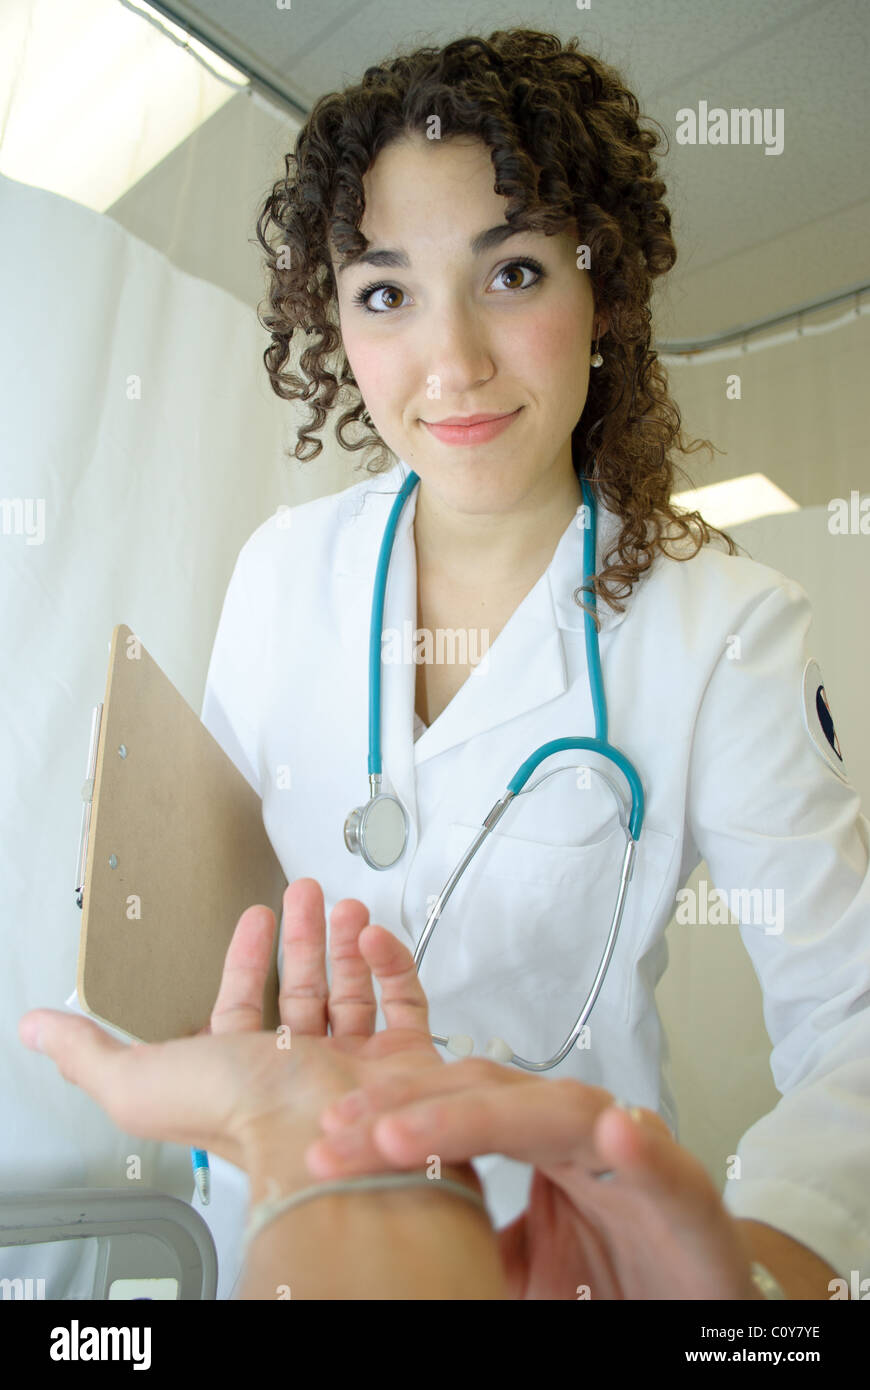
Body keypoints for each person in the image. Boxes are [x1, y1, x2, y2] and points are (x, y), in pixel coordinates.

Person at [25, 27, 870, 1299]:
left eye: (513, 273)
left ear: (604, 296)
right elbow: (226, 913)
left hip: (565, 1258)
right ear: (337, 322)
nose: (455, 362)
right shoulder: (284, 569)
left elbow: (854, 1019)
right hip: (293, 1227)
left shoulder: (724, 630)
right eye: (386, 293)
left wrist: (751, 1281)